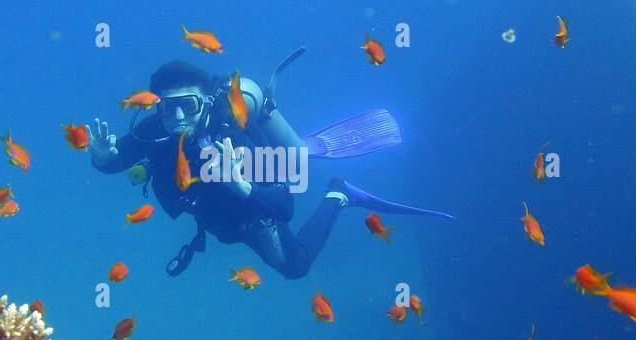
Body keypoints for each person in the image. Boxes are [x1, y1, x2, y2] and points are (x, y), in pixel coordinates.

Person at [89, 53, 452, 277]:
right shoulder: (156, 131)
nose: (179, 116)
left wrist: (241, 184)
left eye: (190, 104)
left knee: (295, 268)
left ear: (205, 102)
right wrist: (103, 158)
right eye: (169, 107)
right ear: (157, 107)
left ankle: (338, 194)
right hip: (215, 219)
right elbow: (114, 162)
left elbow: (286, 207)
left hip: (252, 213)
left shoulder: (236, 137)